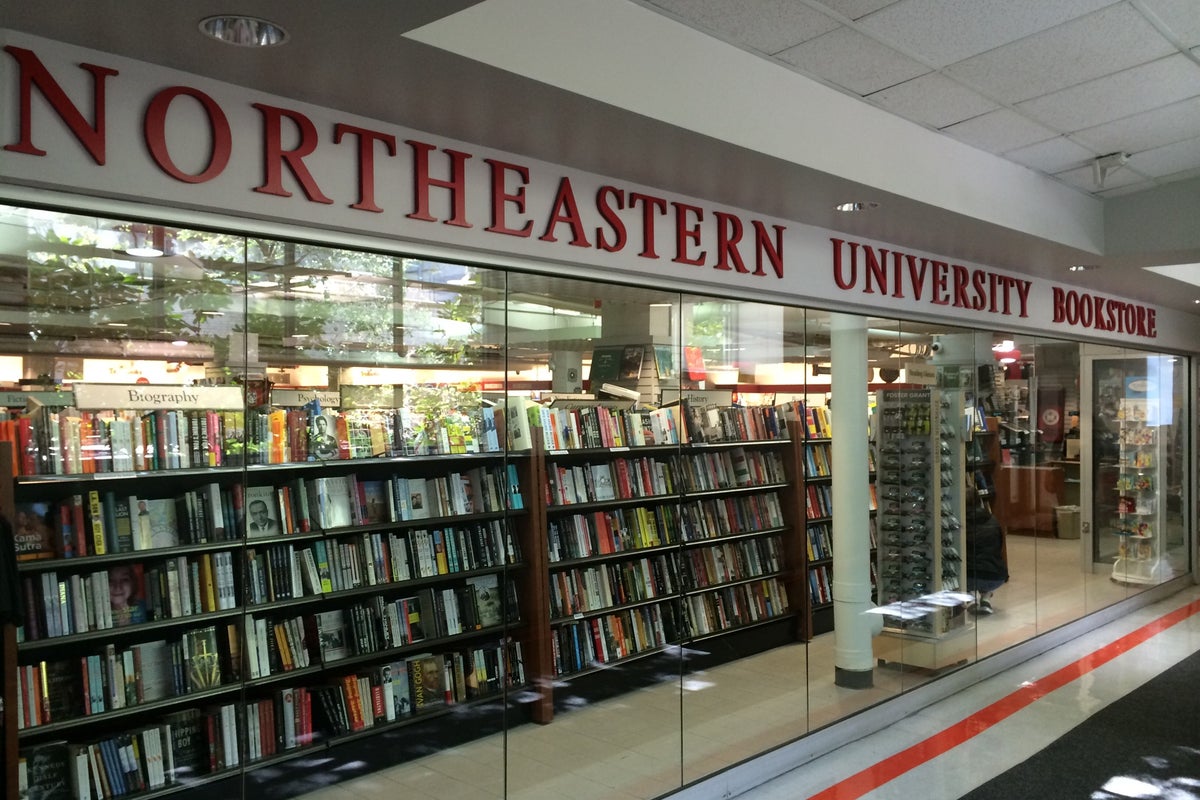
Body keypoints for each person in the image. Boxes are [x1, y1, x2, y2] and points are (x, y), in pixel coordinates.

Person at [965, 496, 1008, 615]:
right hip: (995, 577)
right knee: (987, 563)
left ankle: (969, 596)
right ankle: (985, 599)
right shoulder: (994, 521)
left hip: (968, 577)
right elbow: (998, 548)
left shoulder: (959, 522)